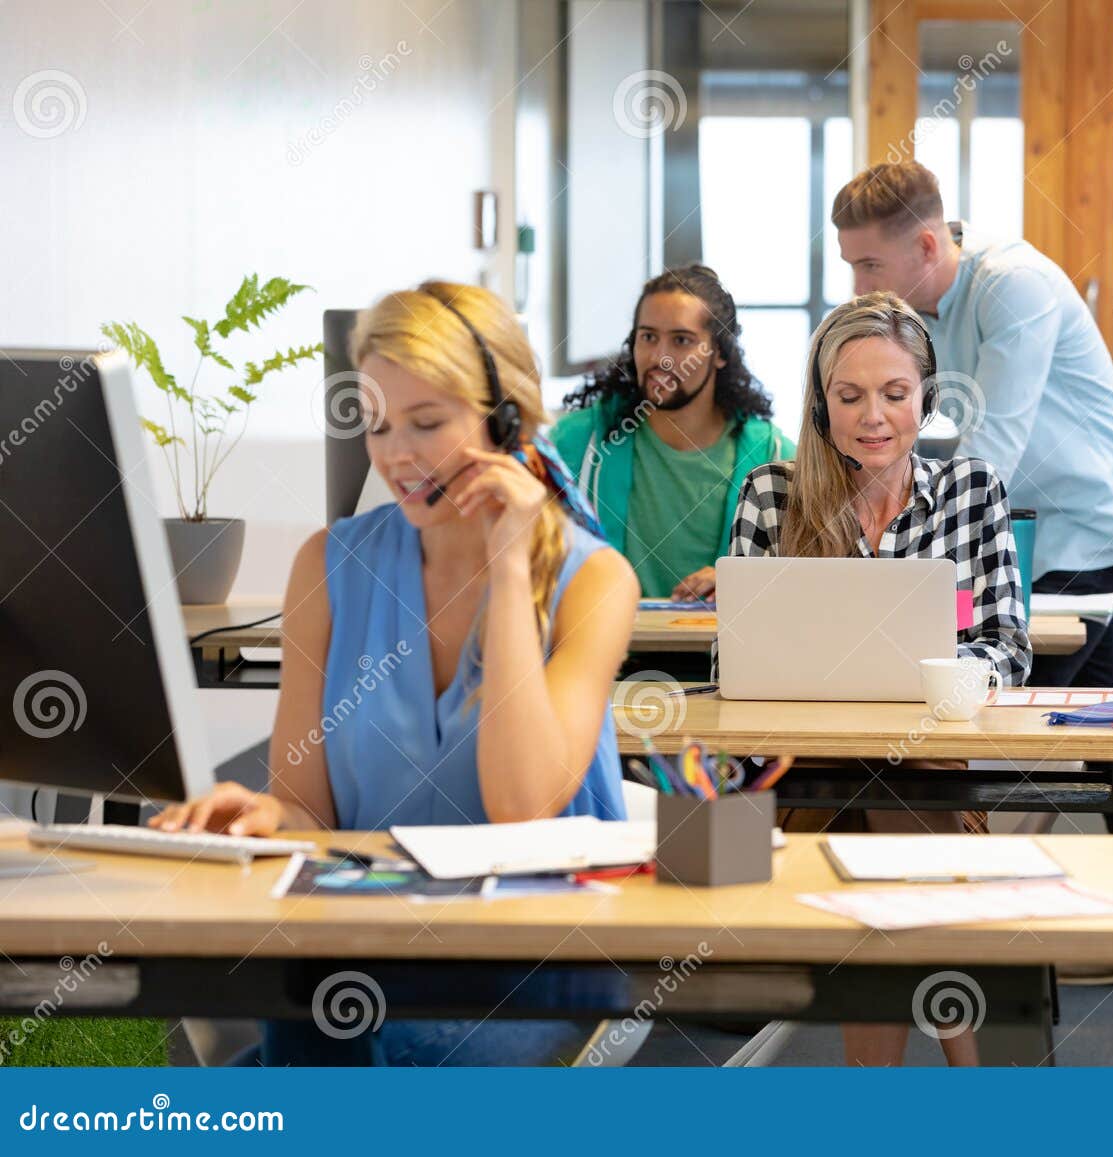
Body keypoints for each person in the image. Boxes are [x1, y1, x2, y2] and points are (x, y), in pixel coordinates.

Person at [153, 281, 640, 1065]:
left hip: (533, 965)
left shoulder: (594, 582)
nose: (397, 456)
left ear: (505, 419)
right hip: (361, 948)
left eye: (428, 422)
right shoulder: (330, 566)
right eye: (377, 425)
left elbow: (521, 810)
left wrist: (509, 567)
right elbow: (308, 811)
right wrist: (262, 815)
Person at [727, 291, 1030, 1066]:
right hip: (802, 779)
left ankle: (885, 1091)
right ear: (820, 403)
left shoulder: (971, 490)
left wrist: (944, 677)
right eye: (850, 395)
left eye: (895, 394)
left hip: (928, 761)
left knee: (898, 792)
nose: (874, 415)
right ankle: (972, 1073)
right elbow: (736, 663)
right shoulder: (773, 493)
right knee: (890, 811)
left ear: (926, 395)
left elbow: (1006, 646)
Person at [831, 160, 1113, 843]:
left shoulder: (1012, 286)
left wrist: (907, 548)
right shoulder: (921, 310)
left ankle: (981, 888)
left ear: (927, 247)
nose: (858, 286)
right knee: (1110, 736)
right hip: (1045, 528)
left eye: (869, 265)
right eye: (852, 266)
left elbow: (992, 448)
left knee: (1005, 715)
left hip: (1097, 522)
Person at [552, 264, 794, 601]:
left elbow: (809, 585)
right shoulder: (573, 444)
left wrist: (745, 578)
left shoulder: (777, 458)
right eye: (648, 337)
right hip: (609, 651)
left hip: (731, 652)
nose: (659, 357)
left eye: (681, 340)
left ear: (720, 353)